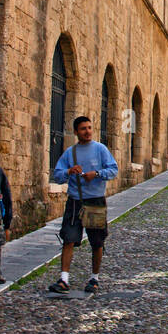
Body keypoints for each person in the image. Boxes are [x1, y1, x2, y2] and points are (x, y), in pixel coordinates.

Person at [47, 116, 118, 295]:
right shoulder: (70, 153)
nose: (87, 131)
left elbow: (113, 169)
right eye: (83, 129)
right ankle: (64, 279)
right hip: (75, 201)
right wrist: (70, 171)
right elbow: (58, 175)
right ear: (76, 132)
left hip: (95, 201)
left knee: (97, 242)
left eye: (89, 128)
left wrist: (97, 173)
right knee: (69, 239)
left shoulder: (100, 149)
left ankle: (94, 278)